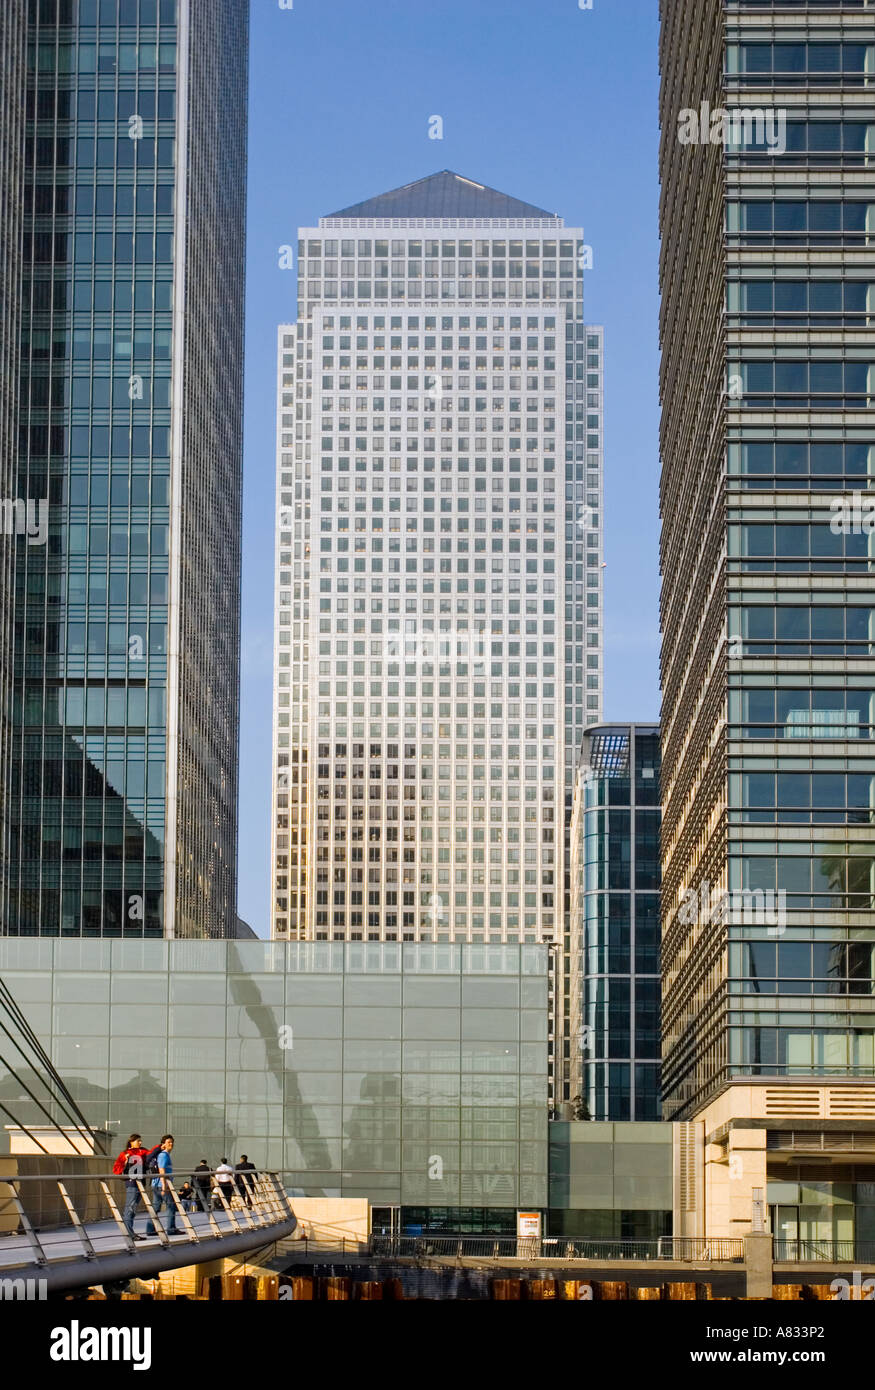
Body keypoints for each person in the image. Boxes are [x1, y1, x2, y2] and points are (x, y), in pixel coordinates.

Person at [145, 1135, 178, 1237]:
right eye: (168, 1142)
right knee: (171, 1206)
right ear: (163, 1144)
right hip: (162, 1185)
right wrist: (164, 1185)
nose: (171, 1144)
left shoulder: (162, 1155)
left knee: (156, 1207)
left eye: (172, 1142)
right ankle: (171, 1229)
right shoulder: (164, 1155)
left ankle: (150, 1229)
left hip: (156, 1184)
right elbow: (162, 1170)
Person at [119, 1133, 150, 1241]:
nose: (140, 1142)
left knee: (133, 1209)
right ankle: (129, 1234)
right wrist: (126, 1161)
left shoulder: (143, 1151)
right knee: (130, 1208)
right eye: (138, 1141)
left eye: (140, 1141)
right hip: (132, 1183)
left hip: (140, 1183)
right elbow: (117, 1168)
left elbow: (150, 1156)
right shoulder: (126, 1153)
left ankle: (130, 1233)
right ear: (131, 1142)